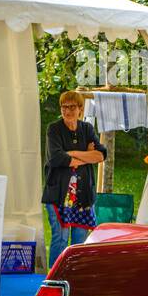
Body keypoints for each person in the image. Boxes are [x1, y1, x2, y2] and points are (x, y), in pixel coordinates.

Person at [42, 90, 107, 266]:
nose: (67, 111)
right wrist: (87, 155)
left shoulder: (87, 129)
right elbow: (56, 158)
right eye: (64, 107)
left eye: (71, 107)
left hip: (83, 195)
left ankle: (73, 278)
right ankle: (54, 280)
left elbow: (101, 155)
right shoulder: (54, 129)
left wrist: (73, 154)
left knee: (79, 243)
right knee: (60, 239)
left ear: (80, 109)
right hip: (59, 193)